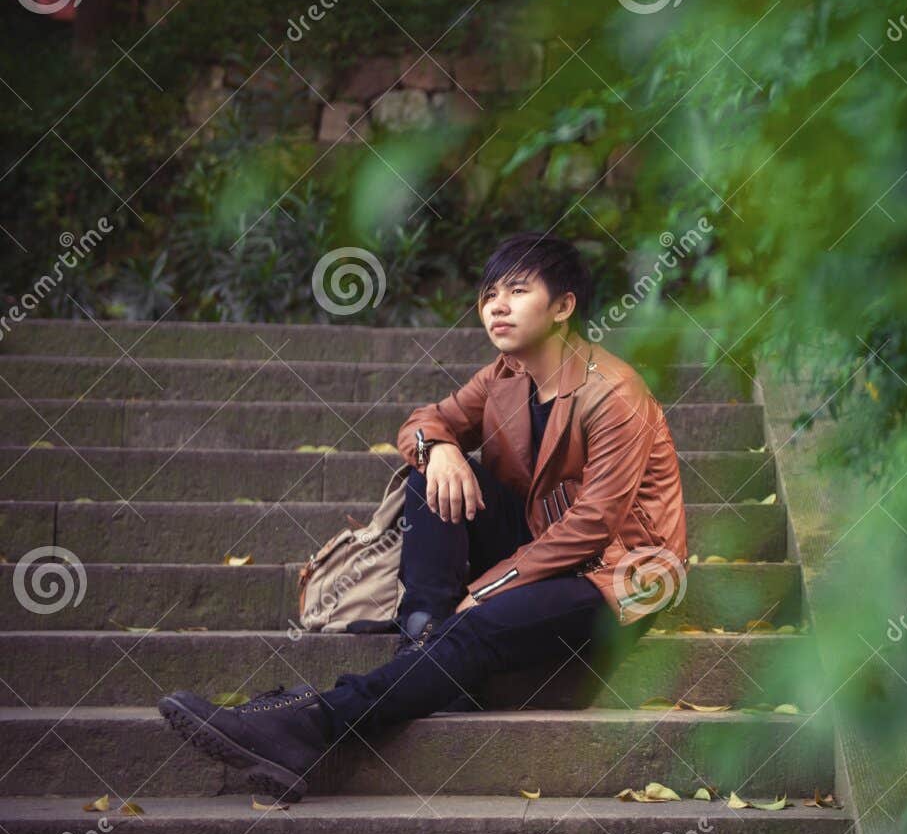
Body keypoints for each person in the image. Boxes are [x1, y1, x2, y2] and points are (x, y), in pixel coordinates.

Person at [157, 232, 689, 802]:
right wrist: (438, 450)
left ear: (563, 307)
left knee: (475, 626)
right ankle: (423, 646)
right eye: (489, 294)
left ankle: (311, 723)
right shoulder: (506, 375)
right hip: (543, 547)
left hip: (623, 576)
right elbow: (425, 420)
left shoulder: (614, 394)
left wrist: (486, 589)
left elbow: (592, 526)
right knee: (430, 479)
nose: (497, 306)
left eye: (517, 291)